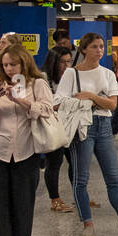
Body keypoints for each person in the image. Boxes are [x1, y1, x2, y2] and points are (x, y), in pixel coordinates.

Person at [57, 33, 118, 236]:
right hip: (82, 125)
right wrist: (98, 99)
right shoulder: (71, 74)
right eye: (94, 46)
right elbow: (59, 101)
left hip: (103, 125)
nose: (99, 50)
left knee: (113, 178)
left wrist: (91, 97)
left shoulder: (107, 73)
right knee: (81, 178)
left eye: (101, 46)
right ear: (84, 49)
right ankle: (87, 223)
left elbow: (113, 104)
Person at [0, 44, 54, 236]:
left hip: (26, 149)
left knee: (23, 198)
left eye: (13, 64)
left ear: (24, 62)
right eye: (5, 65)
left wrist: (18, 100)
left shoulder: (37, 83)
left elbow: (47, 109)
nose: (10, 69)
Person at [41, 47, 75, 213]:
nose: (66, 65)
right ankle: (55, 199)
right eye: (63, 61)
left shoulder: (72, 78)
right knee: (54, 163)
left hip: (70, 125)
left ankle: (79, 195)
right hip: (52, 126)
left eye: (69, 61)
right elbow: (45, 104)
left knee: (75, 162)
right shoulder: (44, 79)